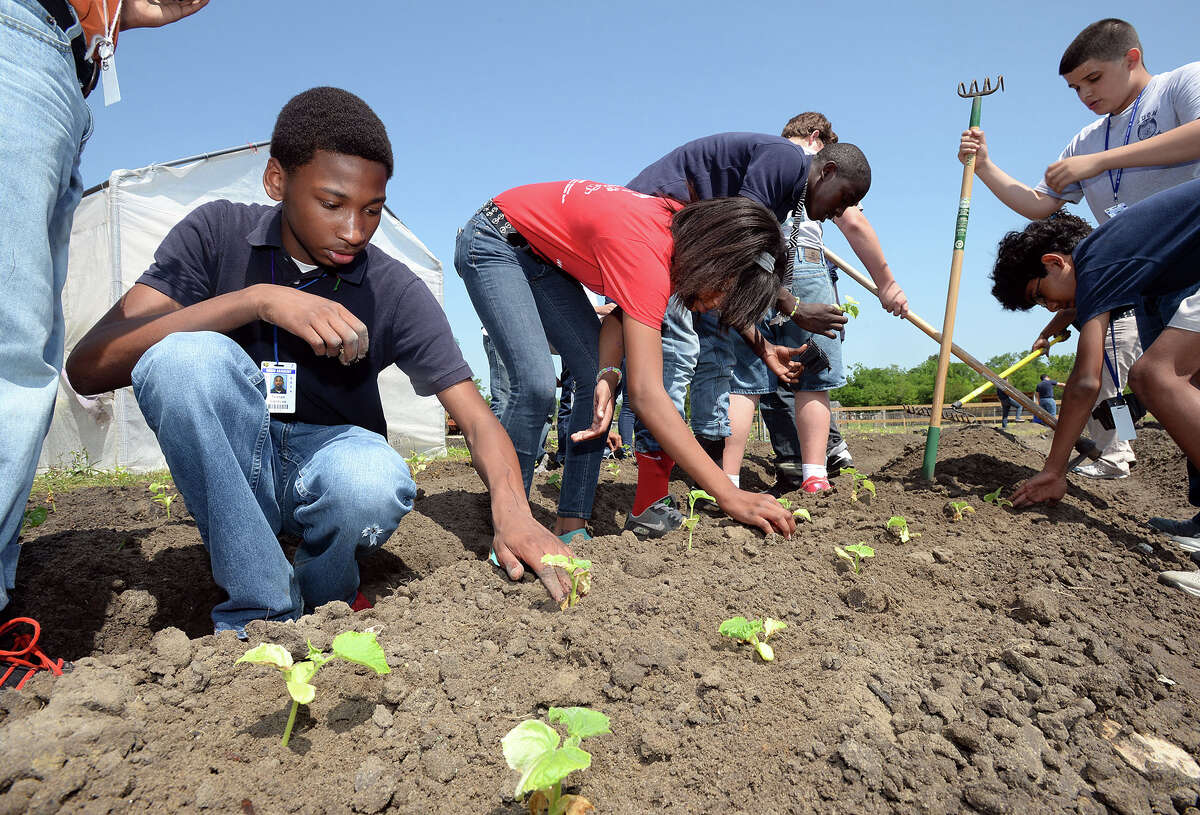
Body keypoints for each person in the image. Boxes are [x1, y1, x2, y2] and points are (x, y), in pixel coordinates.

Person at [65, 88, 574, 636]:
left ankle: (327, 598)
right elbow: (91, 365)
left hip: (330, 461)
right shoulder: (216, 234)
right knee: (184, 360)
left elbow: (475, 418)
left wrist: (515, 513)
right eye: (331, 204)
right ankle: (259, 611)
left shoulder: (392, 289)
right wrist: (254, 300)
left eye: (372, 210)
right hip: (241, 466)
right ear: (276, 181)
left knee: (371, 479)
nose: (355, 231)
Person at [0, 0, 207, 681]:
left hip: (62, 68)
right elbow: (88, 368)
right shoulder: (218, 233)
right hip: (22, 39)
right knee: (10, 345)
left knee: (23, 343)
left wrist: (124, 18)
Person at [455, 180, 800, 544]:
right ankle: (512, 524)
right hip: (494, 237)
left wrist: (606, 372)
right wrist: (729, 496)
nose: (716, 306)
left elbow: (620, 315)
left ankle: (570, 527)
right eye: (726, 293)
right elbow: (647, 395)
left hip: (539, 257)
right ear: (718, 259)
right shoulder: (648, 251)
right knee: (536, 386)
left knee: (592, 378)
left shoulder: (676, 235)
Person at [959, 18, 1200, 480]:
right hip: (1141, 283)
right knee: (1176, 389)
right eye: (1074, 88)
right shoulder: (1085, 141)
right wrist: (985, 166)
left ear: (1132, 59)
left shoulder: (1177, 87)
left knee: (1153, 378)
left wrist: (1104, 161)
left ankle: (1119, 451)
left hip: (1187, 257)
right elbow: (1036, 205)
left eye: (1093, 79)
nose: (1086, 95)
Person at [620, 132, 884, 534]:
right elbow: (736, 250)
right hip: (652, 222)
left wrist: (764, 349)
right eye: (845, 198)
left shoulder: (784, 193)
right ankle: (653, 499)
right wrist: (793, 306)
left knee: (696, 355)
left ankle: (686, 485)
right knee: (674, 353)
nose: (839, 212)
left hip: (674, 237)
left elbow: (729, 283)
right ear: (827, 171)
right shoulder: (785, 162)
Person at [986, 178, 1200, 594]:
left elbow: (1085, 381)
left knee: (1154, 376)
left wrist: (1053, 470)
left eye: (1041, 294)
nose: (1050, 306)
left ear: (1054, 262)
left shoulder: (1095, 260)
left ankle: (1119, 452)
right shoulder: (1111, 256)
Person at [712, 113, 911, 495]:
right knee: (814, 378)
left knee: (744, 381)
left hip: (751, 262)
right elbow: (854, 224)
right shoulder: (813, 167)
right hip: (802, 259)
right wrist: (886, 283)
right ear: (818, 141)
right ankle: (815, 477)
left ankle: (729, 483)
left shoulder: (759, 163)